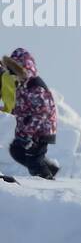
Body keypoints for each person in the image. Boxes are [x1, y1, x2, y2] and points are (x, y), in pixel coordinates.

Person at [3, 49, 59, 180]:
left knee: (34, 159)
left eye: (14, 70)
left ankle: (46, 180)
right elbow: (23, 107)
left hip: (41, 130)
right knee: (17, 151)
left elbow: (41, 113)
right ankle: (50, 169)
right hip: (31, 129)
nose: (11, 74)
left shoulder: (35, 86)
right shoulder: (23, 86)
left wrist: (26, 134)